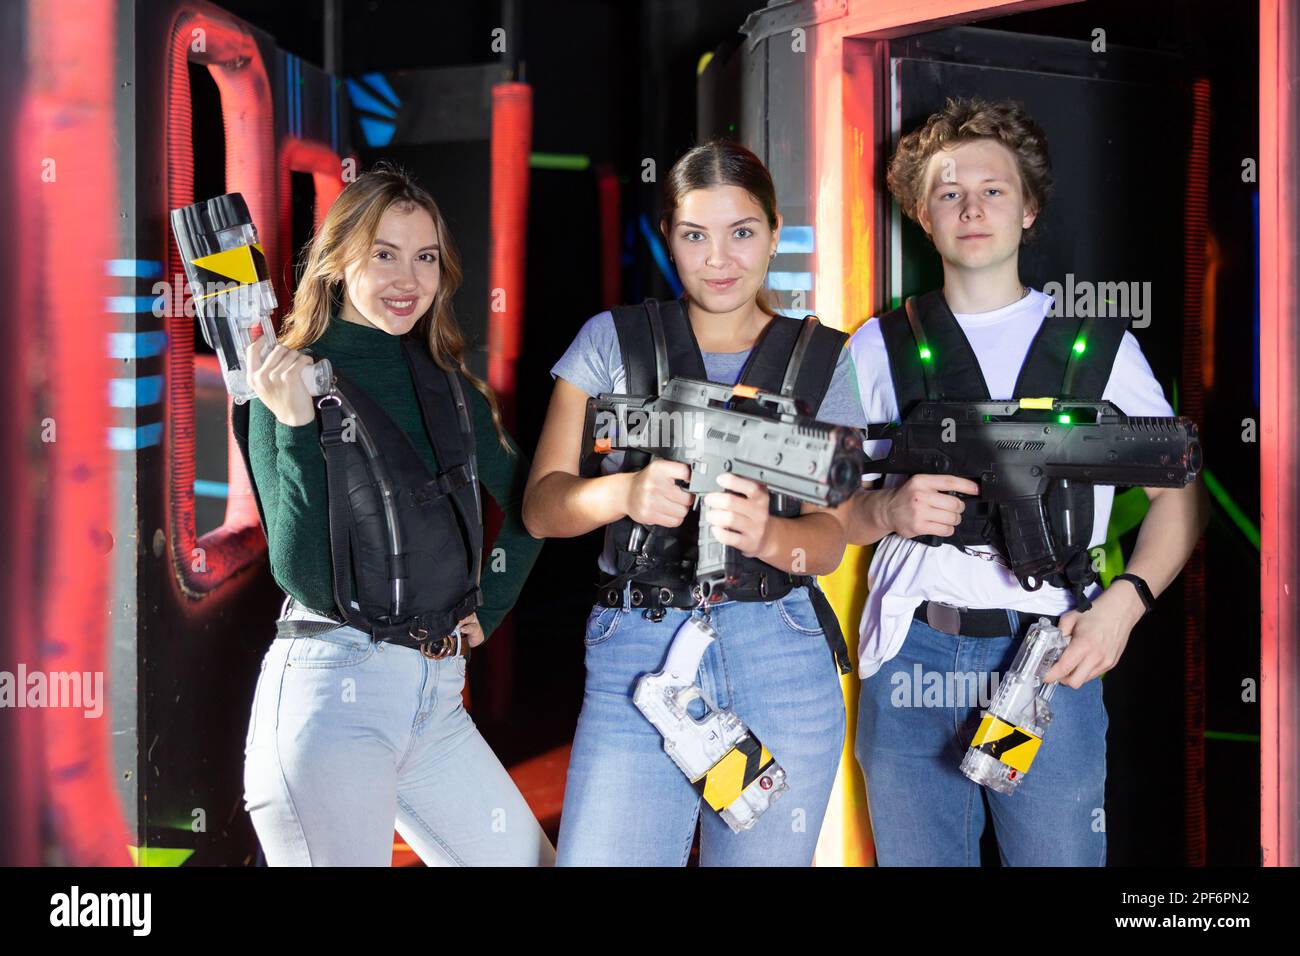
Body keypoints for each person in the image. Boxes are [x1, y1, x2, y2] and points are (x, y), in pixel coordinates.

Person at [843, 97, 1209, 866]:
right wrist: (884, 506)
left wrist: (1126, 605)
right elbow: (826, 514)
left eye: (994, 190)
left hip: (1047, 660)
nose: (971, 208)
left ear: (1029, 208)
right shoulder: (876, 346)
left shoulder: (1097, 347)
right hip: (911, 653)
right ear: (920, 211)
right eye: (948, 192)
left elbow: (1181, 498)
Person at [524, 139, 867, 866]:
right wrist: (623, 492)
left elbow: (833, 538)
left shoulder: (827, 359)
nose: (720, 259)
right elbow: (542, 508)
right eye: (695, 235)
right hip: (640, 648)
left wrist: (770, 535)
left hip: (780, 648)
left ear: (775, 233)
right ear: (668, 239)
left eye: (742, 233)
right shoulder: (609, 340)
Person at [240, 162, 553, 866]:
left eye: (425, 258)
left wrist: (488, 609)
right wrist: (294, 427)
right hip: (330, 694)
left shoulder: (450, 388)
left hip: (435, 702)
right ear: (339, 260)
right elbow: (303, 573)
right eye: (384, 254)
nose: (407, 278)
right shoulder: (288, 373)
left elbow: (534, 505)